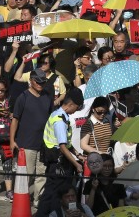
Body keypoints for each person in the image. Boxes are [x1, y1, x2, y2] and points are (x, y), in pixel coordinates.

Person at [35, 88, 86, 217]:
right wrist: (77, 164)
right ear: (70, 104)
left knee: (55, 194)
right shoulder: (59, 121)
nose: (78, 110)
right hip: (58, 165)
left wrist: (78, 155)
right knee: (54, 194)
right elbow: (62, 147)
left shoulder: (60, 115)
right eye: (77, 107)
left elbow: (67, 144)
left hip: (59, 162)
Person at [11, 69, 54, 203]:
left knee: (41, 174)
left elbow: (50, 118)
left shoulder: (47, 96)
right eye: (38, 81)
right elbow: (15, 120)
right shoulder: (22, 97)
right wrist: (12, 140)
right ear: (31, 81)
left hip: (43, 143)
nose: (41, 84)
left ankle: (38, 201)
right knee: (26, 174)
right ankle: (21, 199)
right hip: (26, 143)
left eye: (43, 82)